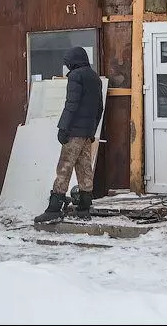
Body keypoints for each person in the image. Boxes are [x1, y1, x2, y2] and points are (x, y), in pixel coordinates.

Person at [35, 47, 103, 223]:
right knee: (84, 170)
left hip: (73, 133)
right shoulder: (95, 77)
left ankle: (53, 209)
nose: (67, 67)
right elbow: (99, 108)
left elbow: (71, 105)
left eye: (68, 62)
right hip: (87, 133)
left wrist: (63, 128)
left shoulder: (76, 76)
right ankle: (84, 208)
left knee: (64, 168)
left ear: (74, 61)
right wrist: (92, 131)